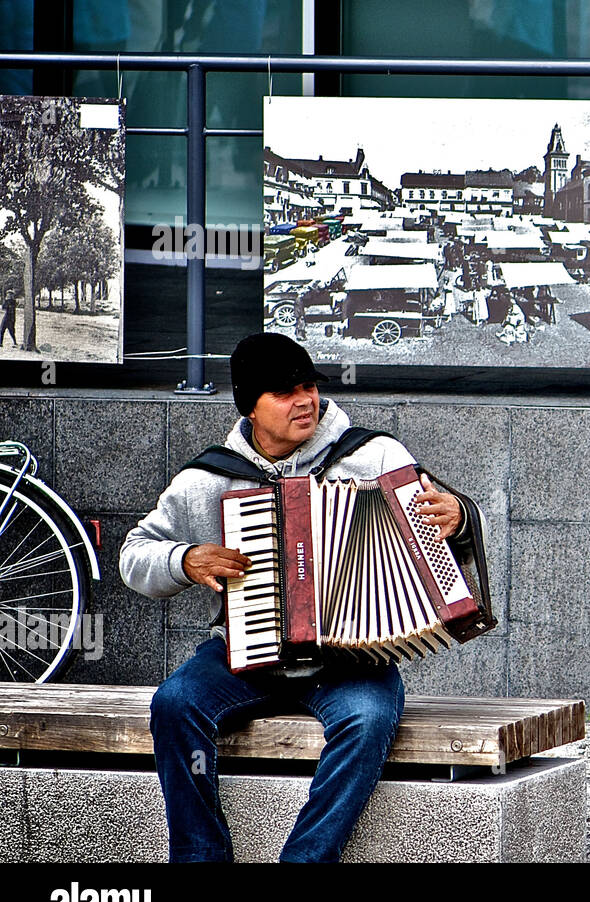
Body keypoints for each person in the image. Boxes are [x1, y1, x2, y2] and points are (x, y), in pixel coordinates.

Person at [120, 333, 470, 863]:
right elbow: (133, 554)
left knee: (367, 722)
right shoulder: (208, 478)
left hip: (352, 656)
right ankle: (199, 855)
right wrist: (185, 559)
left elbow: (446, 522)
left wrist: (460, 517)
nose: (305, 400)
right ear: (250, 407)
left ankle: (306, 858)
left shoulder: (373, 455)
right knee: (174, 704)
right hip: (246, 651)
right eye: (284, 392)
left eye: (308, 386)